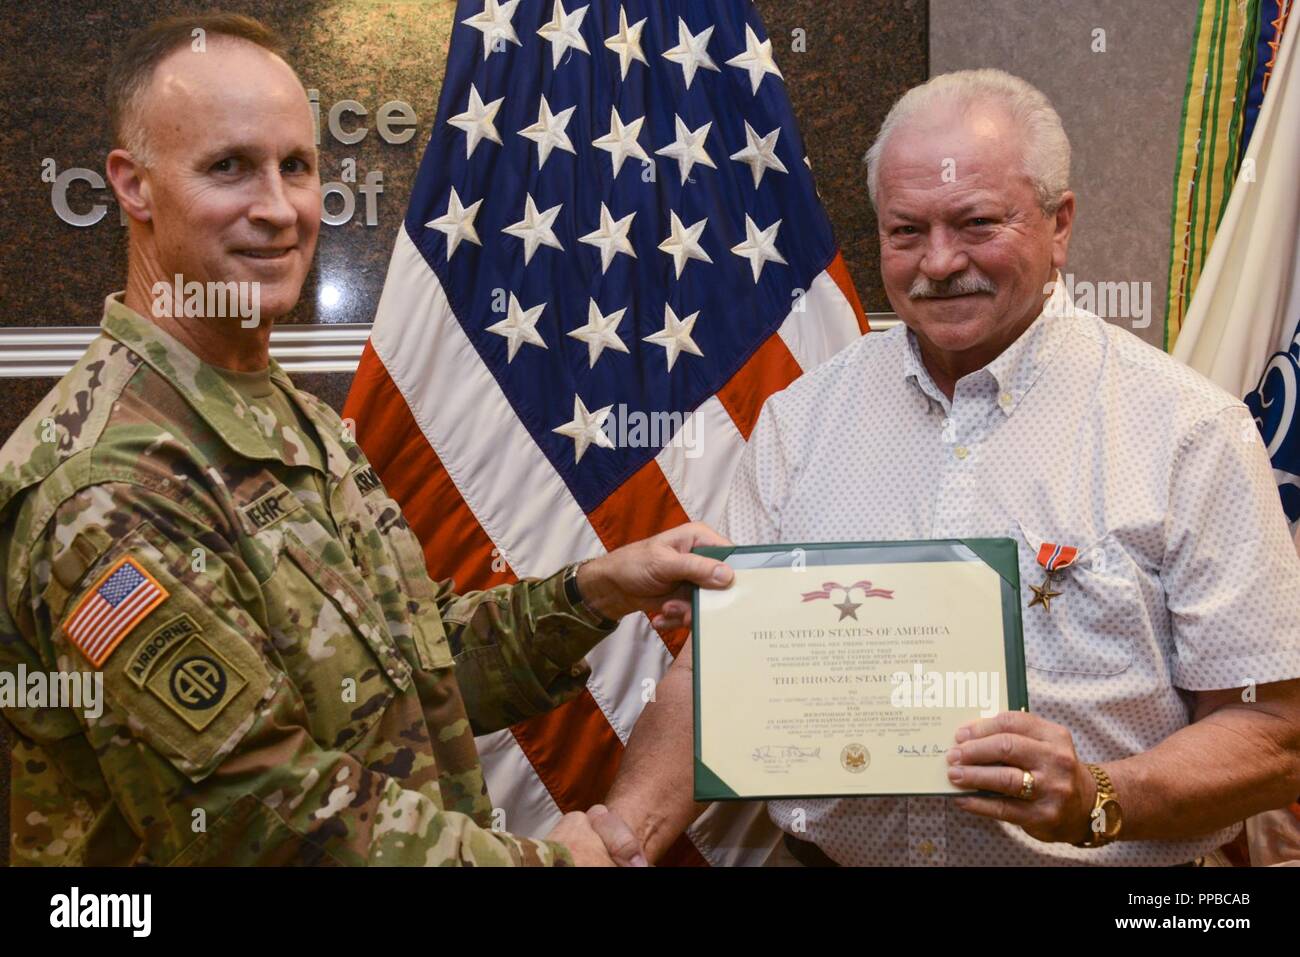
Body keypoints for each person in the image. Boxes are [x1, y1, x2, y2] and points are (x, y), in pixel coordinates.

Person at [0, 13, 734, 867]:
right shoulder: (111, 485)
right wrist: (552, 864)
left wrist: (602, 588)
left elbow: (410, 667)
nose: (277, 209)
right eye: (228, 167)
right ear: (133, 185)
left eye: (297, 167)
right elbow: (263, 817)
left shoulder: (288, 416)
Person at [604, 68, 1300, 866]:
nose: (938, 262)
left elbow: (1270, 731)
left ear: (1059, 224)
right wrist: (620, 842)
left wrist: (1097, 797)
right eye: (906, 231)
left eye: (975, 223)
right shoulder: (802, 420)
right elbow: (710, 679)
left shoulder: (1191, 429)